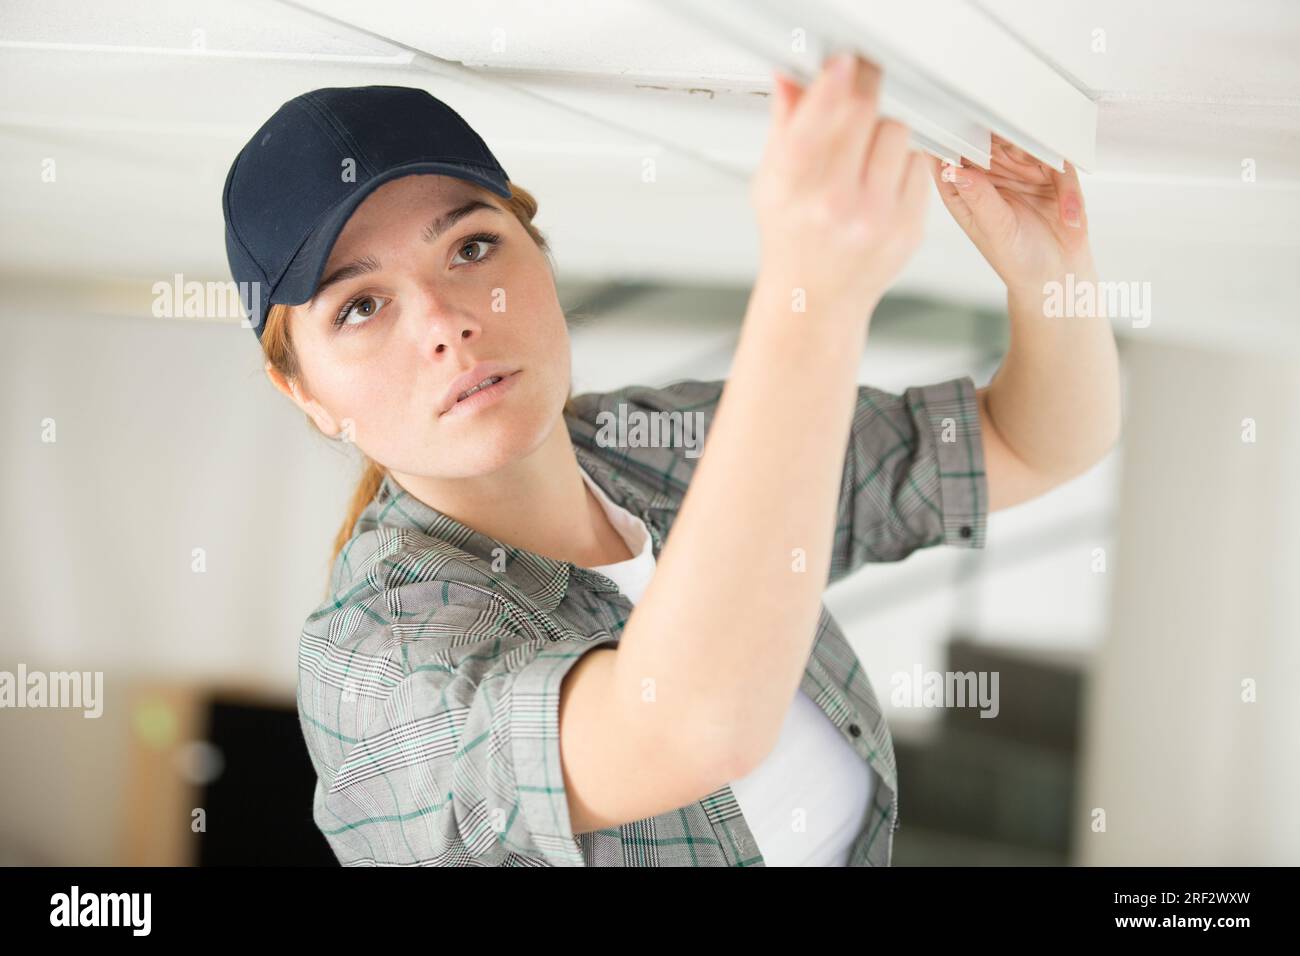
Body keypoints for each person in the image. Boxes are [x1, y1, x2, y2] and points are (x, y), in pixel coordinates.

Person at [221, 53, 1120, 866]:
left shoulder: (654, 450)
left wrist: (1052, 275)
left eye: (471, 247)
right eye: (360, 308)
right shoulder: (372, 665)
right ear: (305, 393)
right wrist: (815, 296)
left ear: (538, 252)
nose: (444, 322)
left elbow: (1026, 443)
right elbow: (689, 729)